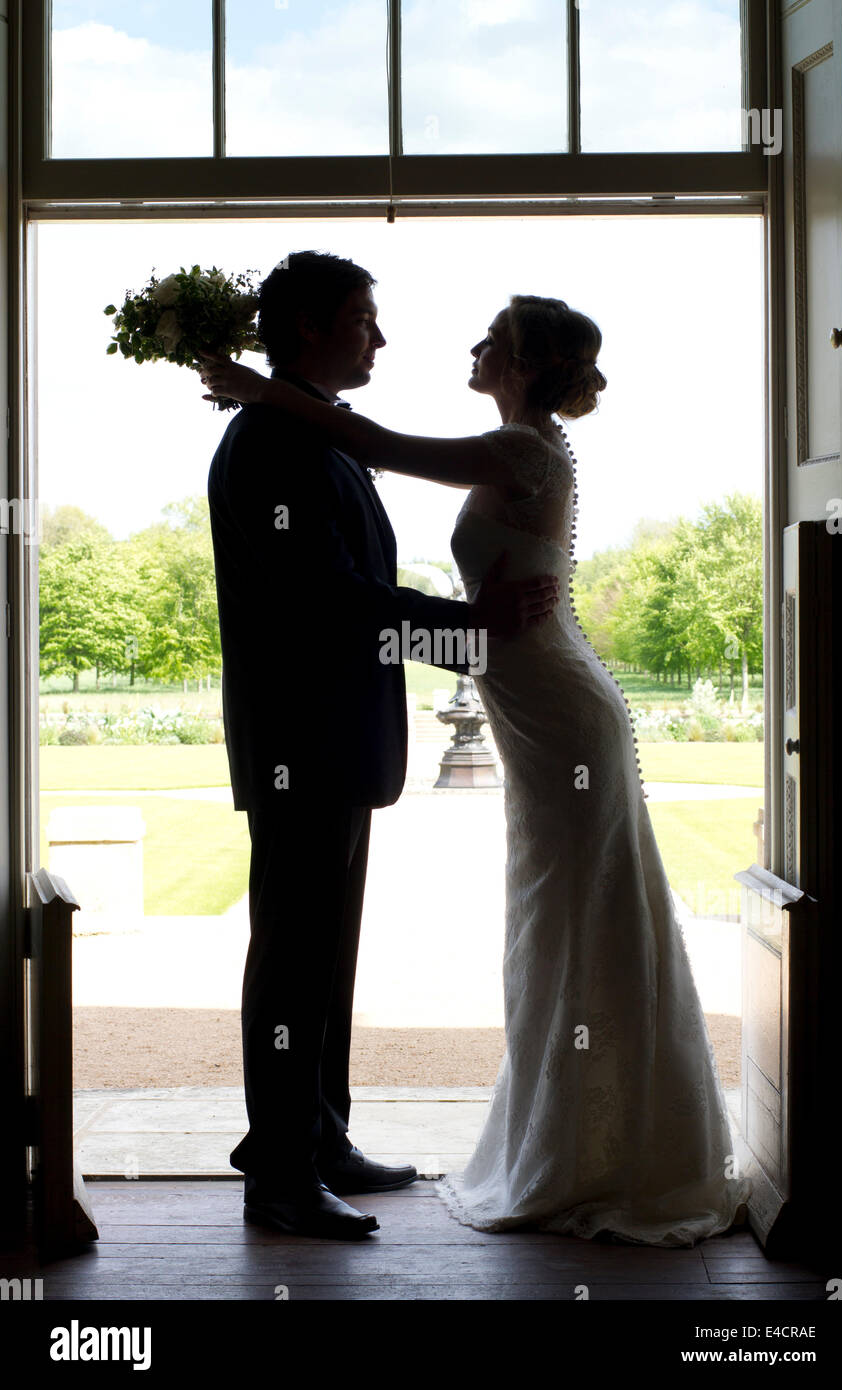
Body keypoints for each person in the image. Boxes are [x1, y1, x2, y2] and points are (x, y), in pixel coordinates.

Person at [201, 289, 752, 1246]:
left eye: (492, 339)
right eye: (362, 316)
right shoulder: (309, 443)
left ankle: (595, 1152)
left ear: (530, 364)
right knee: (552, 911)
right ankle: (326, 1152)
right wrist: (263, 397)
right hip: (505, 700)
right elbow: (332, 587)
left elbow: (374, 446)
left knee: (576, 909)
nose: (466, 344)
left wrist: (263, 388)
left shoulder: (524, 449)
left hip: (555, 709)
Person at [205, 253, 559, 1241]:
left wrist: (466, 625)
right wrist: (468, 626)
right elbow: (321, 603)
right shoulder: (277, 438)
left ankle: (318, 1139)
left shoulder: (309, 432)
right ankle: (280, 1172)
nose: (380, 335)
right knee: (292, 957)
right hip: (301, 737)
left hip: (326, 735)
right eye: (365, 316)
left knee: (322, 954)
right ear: (313, 324)